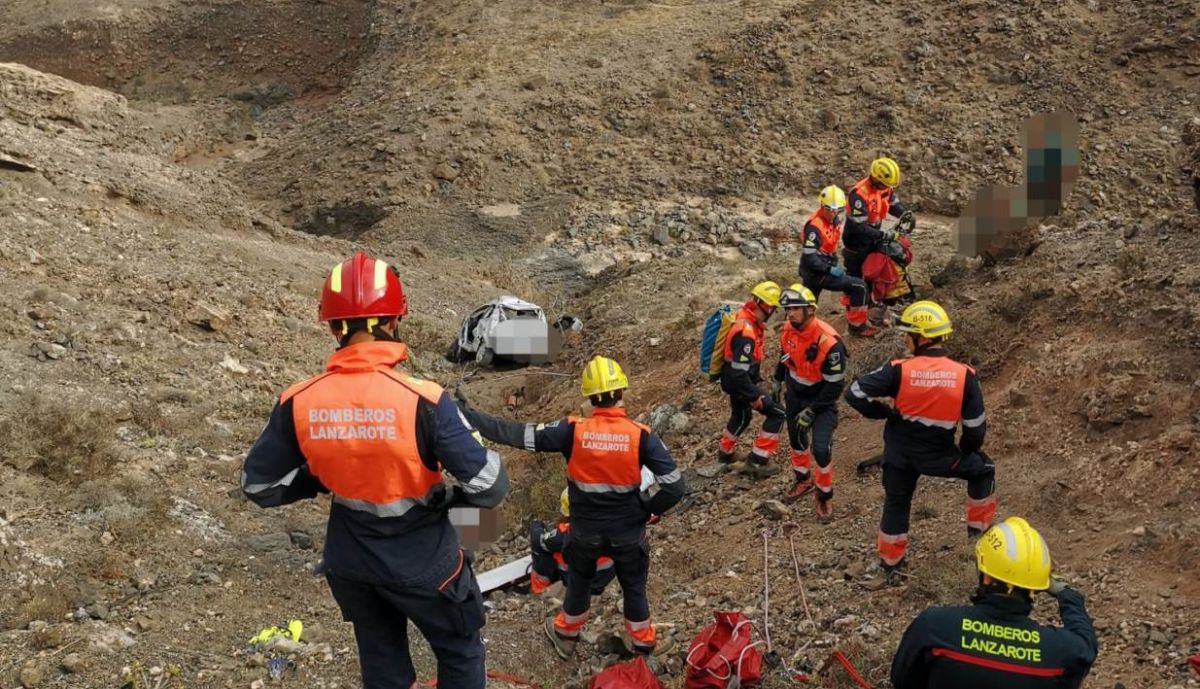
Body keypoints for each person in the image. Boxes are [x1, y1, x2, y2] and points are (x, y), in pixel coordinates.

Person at [241, 252, 508, 689]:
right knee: (460, 649)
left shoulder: (299, 400)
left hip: (352, 564)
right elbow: (490, 485)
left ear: (331, 326)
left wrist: (318, 476)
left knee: (383, 662)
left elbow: (258, 485)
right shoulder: (424, 399)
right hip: (426, 563)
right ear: (395, 320)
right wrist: (452, 497)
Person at [458, 356, 685, 658]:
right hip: (628, 532)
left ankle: (567, 634)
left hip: (584, 533)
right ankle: (643, 641)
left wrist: (466, 416)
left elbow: (516, 434)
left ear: (589, 396)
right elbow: (674, 485)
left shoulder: (572, 431)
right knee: (634, 588)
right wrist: (645, 508)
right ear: (621, 392)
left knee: (579, 583)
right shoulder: (640, 435)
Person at [843, 300, 995, 581]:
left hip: (899, 456)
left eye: (908, 333)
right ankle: (979, 541)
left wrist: (882, 412)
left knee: (896, 502)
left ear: (922, 337)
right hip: (940, 456)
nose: (904, 339)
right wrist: (965, 452)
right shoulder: (965, 377)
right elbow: (975, 429)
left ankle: (891, 565)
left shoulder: (899, 370)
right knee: (983, 469)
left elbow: (854, 392)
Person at [891, 516, 1098, 688]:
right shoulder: (1059, 652)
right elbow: (1085, 645)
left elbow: (902, 680)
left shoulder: (934, 627)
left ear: (986, 576)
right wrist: (1069, 596)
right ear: (1038, 587)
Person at [770, 284, 847, 520]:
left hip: (821, 399)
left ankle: (824, 496)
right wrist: (776, 379)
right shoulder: (787, 329)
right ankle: (803, 480)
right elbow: (785, 357)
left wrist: (813, 411)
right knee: (796, 439)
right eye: (787, 308)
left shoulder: (830, 343)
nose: (789, 313)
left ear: (810, 310)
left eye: (795, 308)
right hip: (795, 394)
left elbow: (834, 385)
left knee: (821, 449)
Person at [717, 281, 788, 476]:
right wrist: (753, 394)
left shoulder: (744, 317)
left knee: (741, 416)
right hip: (739, 383)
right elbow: (740, 372)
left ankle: (725, 452)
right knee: (778, 413)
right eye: (773, 307)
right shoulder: (746, 333)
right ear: (766, 306)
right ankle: (758, 460)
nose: (774, 311)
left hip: (733, 381)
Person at [798, 185, 878, 337]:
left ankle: (795, 325)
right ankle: (857, 327)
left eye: (838, 209)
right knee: (859, 286)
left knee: (806, 305)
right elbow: (809, 256)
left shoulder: (834, 220)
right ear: (822, 205)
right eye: (830, 208)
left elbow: (828, 246)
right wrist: (829, 269)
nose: (833, 212)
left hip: (818, 268)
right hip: (817, 271)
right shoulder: (814, 227)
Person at [528, 488, 617, 597]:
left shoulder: (565, 533)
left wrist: (536, 526)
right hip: (609, 578)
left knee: (544, 549)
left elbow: (540, 540)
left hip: (584, 587)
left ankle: (540, 589)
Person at [843, 156, 913, 280]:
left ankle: (871, 294)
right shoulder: (859, 195)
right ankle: (852, 297)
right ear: (875, 177)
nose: (887, 188)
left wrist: (904, 214)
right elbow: (859, 228)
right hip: (856, 241)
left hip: (873, 235)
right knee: (856, 275)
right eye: (884, 185)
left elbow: (893, 205)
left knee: (874, 269)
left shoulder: (884, 188)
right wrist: (883, 235)